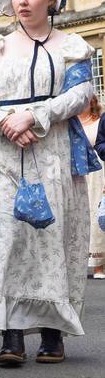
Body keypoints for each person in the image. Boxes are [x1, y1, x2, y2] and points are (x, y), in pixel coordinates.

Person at [0, 0, 97, 365]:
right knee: (9, 236)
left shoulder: (70, 46)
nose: (22, 0)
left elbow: (80, 94)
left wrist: (35, 116)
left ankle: (53, 333)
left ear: (50, 0)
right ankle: (11, 333)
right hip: (3, 151)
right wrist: (3, 118)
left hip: (53, 149)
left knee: (50, 237)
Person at [82, 95, 105, 279]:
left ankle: (99, 264)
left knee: (98, 216)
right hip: (79, 171)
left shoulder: (99, 121)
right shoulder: (70, 122)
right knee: (82, 216)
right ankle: (81, 262)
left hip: (98, 174)